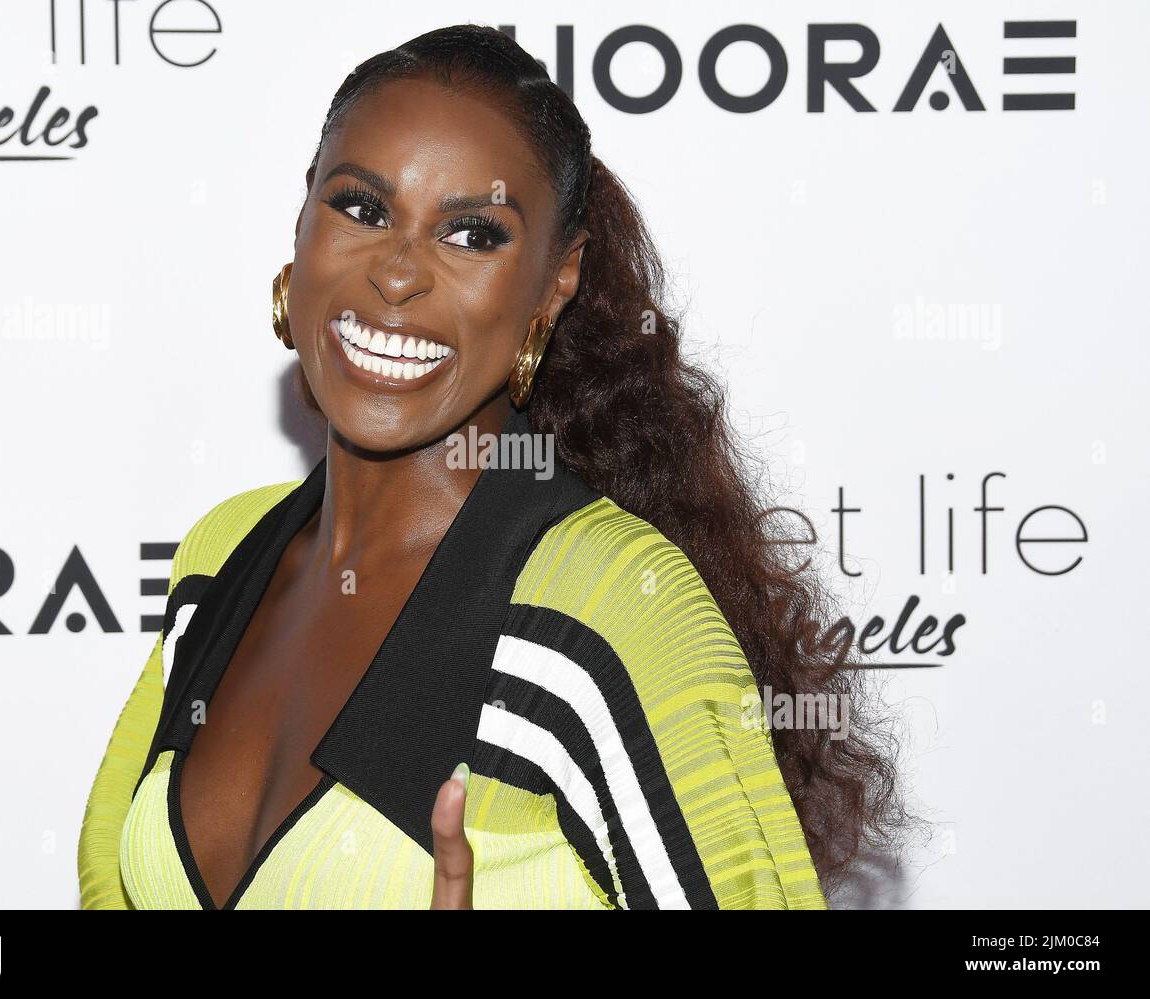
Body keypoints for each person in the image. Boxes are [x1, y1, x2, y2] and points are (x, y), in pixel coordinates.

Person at [77, 23, 905, 910]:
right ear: (301, 221)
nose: (396, 274)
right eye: (361, 207)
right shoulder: (223, 552)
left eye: (472, 234)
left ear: (557, 283)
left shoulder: (605, 605)